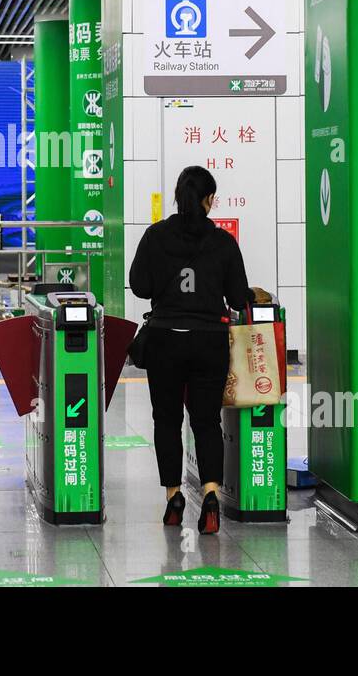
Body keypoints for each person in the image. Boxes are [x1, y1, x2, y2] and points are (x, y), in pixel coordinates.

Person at [128, 165, 254, 535]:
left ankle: (173, 497)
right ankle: (211, 494)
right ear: (209, 200)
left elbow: (139, 286)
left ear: (177, 198)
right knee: (206, 421)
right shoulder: (223, 243)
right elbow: (236, 297)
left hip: (165, 340)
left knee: (166, 420)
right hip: (208, 341)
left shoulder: (155, 236)